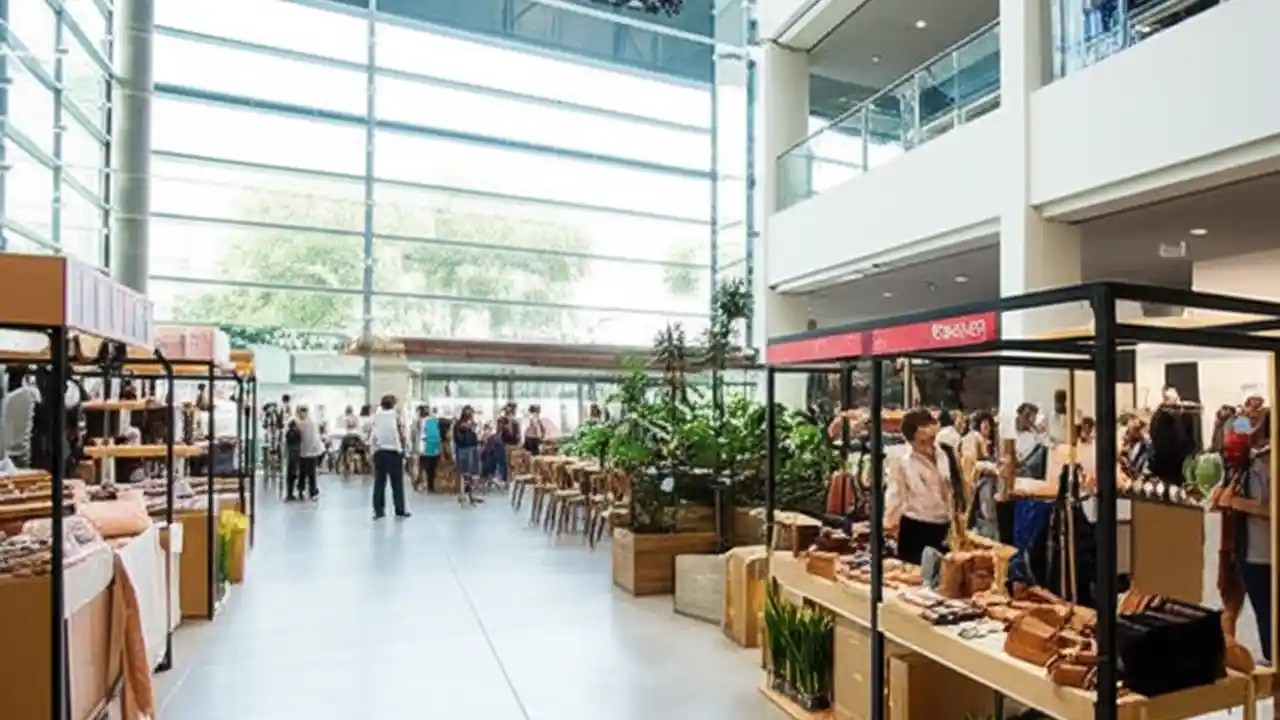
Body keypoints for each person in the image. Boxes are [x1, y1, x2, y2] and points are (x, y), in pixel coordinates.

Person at [885, 408, 957, 565]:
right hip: (916, 527)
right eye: (922, 442)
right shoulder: (903, 461)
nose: (928, 446)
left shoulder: (945, 453)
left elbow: (953, 487)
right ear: (911, 441)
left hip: (944, 526)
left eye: (931, 439)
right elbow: (895, 494)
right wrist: (889, 524)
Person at [369, 394, 410, 520]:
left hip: (380, 451)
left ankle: (378, 510)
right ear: (393, 404)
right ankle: (400, 509)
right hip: (394, 452)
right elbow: (402, 434)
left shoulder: (376, 417)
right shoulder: (396, 416)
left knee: (379, 482)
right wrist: (405, 450)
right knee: (397, 483)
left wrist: (371, 451)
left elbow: (373, 435)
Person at [295, 405, 324, 500]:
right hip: (308, 451)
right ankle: (306, 490)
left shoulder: (306, 423)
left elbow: (299, 426)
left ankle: (310, 490)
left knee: (308, 473)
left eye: (300, 413)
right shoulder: (311, 421)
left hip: (310, 452)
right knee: (304, 472)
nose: (300, 415)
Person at [454, 405, 481, 505]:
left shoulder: (460, 424)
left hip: (466, 449)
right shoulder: (460, 425)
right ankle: (466, 494)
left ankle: (466, 494)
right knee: (467, 473)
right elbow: (459, 438)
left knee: (467, 473)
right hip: (466, 449)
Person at [419, 406, 442, 493]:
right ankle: (431, 486)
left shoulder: (422, 421)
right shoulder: (435, 420)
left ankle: (424, 485)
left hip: (425, 447)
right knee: (432, 468)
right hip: (435, 447)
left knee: (424, 467)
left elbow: (420, 434)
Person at [284, 406, 304, 501]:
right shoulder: (298, 432)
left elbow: (287, 444)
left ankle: (289, 493)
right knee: (298, 474)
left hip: (290, 455)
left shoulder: (288, 433)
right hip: (297, 454)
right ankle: (300, 492)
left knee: (290, 476)